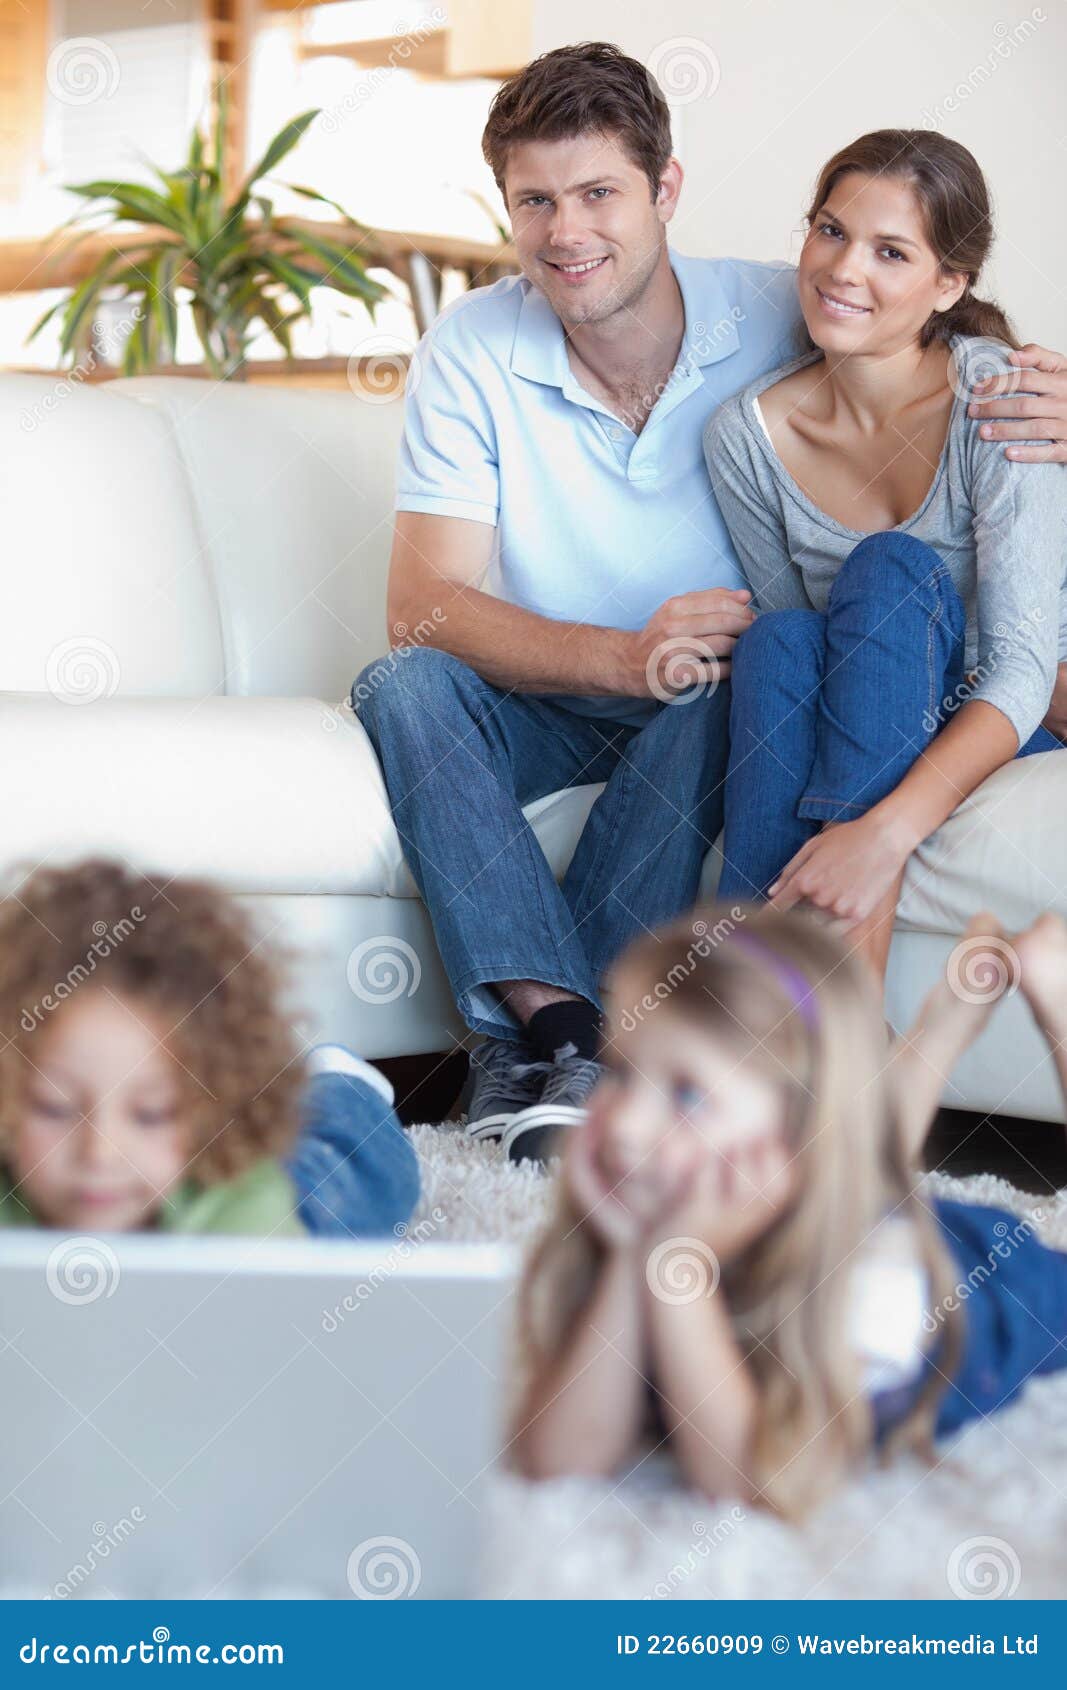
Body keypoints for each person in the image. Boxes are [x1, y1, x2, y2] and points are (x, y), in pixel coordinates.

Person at [354, 44, 1067, 1165]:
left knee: (815, 622)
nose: (567, 231)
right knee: (410, 683)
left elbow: (917, 346)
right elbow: (421, 610)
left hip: (753, 693)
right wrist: (622, 656)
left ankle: (746, 1037)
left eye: (599, 193)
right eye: (534, 201)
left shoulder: (789, 314)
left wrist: (1048, 390)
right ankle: (563, 1028)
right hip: (591, 684)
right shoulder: (485, 351)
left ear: (664, 190)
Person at [510, 902, 1067, 1518]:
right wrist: (632, 1255)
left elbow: (756, 1488)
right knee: (858, 1175)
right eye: (621, 1070)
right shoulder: (653, 1210)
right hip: (822, 1194)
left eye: (688, 1094)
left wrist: (676, 1267)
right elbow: (559, 1462)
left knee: (860, 1186)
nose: (629, 1127)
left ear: (799, 1135)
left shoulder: (880, 1290)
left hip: (982, 1279)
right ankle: (948, 1022)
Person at [704, 129, 1067, 979]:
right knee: (780, 638)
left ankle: (834, 1026)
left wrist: (878, 834)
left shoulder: (1001, 398)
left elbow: (1019, 669)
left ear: (948, 284)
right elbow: (806, 653)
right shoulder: (745, 437)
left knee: (886, 568)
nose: (842, 270)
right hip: (870, 699)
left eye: (890, 252)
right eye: (829, 230)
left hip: (1009, 714)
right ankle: (766, 1024)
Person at [0, 858, 419, 1238]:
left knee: (351, 1189)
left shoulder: (251, 1222)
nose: (100, 1154)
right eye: (53, 1107)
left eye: (152, 1113)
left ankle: (342, 1085)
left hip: (261, 1193)